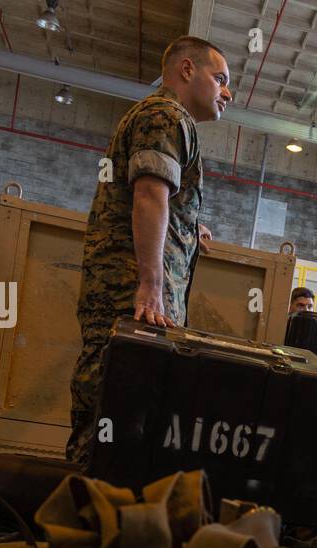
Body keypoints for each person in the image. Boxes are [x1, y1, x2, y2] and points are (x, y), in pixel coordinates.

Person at [67, 35, 229, 465]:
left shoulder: (170, 119)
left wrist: (189, 228)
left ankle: (101, 516)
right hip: (133, 299)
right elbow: (148, 195)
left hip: (134, 298)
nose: (227, 92)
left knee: (128, 416)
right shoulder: (164, 114)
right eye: (221, 79)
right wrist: (151, 285)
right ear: (187, 70)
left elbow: (155, 197)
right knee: (113, 412)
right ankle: (84, 518)